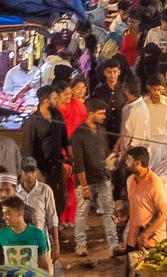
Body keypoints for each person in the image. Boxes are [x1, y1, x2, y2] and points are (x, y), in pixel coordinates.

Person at [71, 101, 120, 258]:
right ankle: (81, 244)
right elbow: (79, 163)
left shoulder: (101, 130)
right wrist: (84, 187)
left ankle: (113, 244)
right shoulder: (79, 134)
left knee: (108, 212)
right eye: (101, 113)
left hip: (102, 177)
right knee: (82, 212)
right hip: (86, 181)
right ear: (91, 113)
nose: (104, 117)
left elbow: (104, 152)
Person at [17, 87, 69, 232]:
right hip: (42, 168)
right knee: (43, 201)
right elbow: (27, 149)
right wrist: (35, 171)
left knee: (62, 196)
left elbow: (64, 138)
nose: (57, 100)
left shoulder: (57, 115)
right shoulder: (32, 122)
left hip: (57, 164)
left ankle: (55, 225)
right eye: (54, 98)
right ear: (46, 101)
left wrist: (69, 158)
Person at [125, 146, 167, 252]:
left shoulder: (154, 184)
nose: (126, 162)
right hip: (133, 240)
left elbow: (164, 214)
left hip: (151, 242)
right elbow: (136, 205)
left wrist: (145, 235)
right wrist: (120, 213)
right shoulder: (130, 180)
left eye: (128, 159)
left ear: (137, 163)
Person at [18, 158, 60, 268]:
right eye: (26, 172)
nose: (29, 175)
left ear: (36, 172)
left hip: (42, 242)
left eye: (32, 171)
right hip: (22, 243)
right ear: (21, 172)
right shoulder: (16, 193)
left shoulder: (45, 190)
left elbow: (52, 218)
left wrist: (56, 244)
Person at [0, 195, 52, 272]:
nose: (4, 217)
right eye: (3, 213)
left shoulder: (37, 234)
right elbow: (0, 259)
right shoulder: (2, 233)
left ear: (19, 213)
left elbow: (43, 264)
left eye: (8, 213)